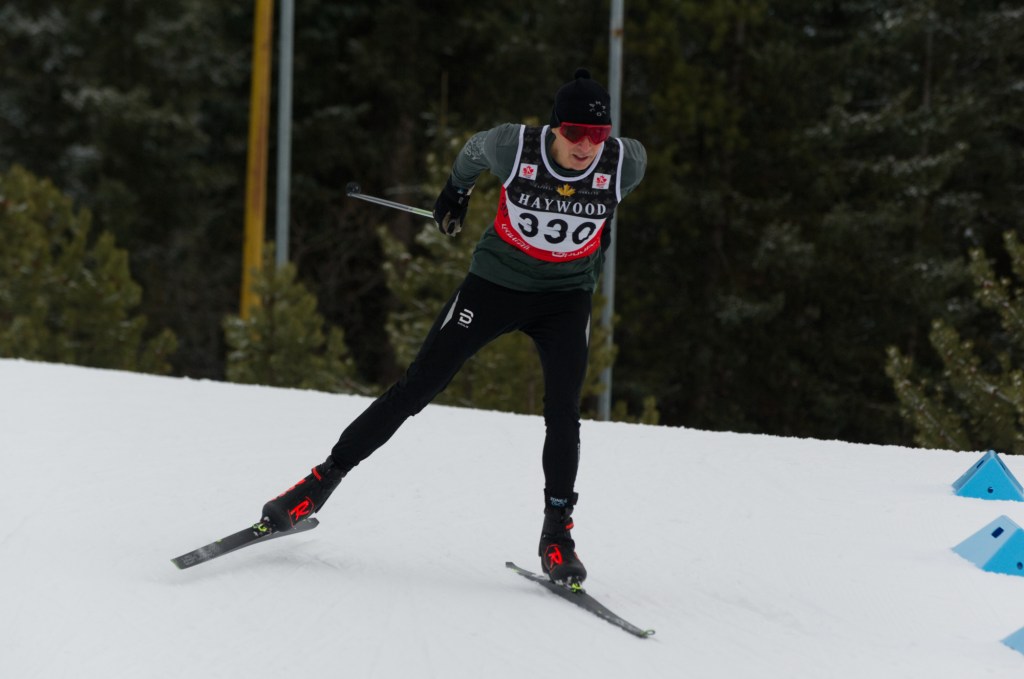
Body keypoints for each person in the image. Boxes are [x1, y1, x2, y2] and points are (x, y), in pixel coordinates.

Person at [261, 68, 647, 585]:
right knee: (416, 387)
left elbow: (603, 213)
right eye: (575, 133)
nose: (585, 146)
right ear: (555, 128)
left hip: (563, 299)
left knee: (563, 412)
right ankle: (317, 483)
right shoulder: (514, 147)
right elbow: (471, 151)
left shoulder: (627, 162)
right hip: (494, 286)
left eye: (597, 135)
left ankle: (557, 534)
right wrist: (455, 193)